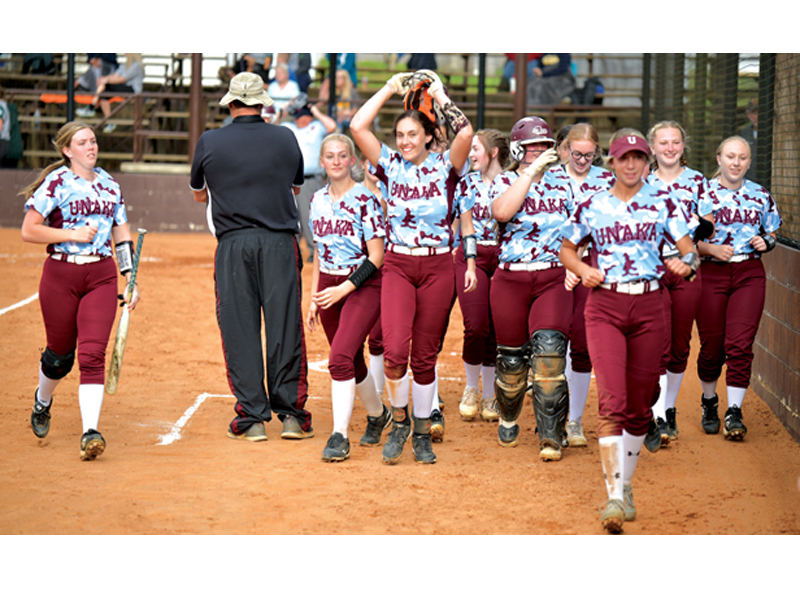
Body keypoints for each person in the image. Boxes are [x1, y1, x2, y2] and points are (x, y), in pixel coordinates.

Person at [559, 134, 697, 533]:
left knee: (639, 405)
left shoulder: (663, 202)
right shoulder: (593, 203)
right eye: (624, 158)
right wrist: (583, 269)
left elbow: (688, 249)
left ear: (646, 160)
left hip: (651, 306)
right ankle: (615, 495)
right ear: (612, 162)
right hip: (605, 305)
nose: (631, 165)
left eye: (638, 158)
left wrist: (686, 264)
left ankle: (627, 482)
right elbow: (568, 248)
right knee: (613, 401)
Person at [350, 69, 475, 465]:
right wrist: (390, 87)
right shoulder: (388, 162)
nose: (405, 141)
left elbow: (467, 133)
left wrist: (438, 95)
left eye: (412, 135)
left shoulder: (446, 165)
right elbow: (357, 125)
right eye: (400, 135)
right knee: (394, 352)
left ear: (425, 136)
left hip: (438, 264)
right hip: (400, 265)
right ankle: (400, 421)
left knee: (424, 356)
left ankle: (422, 427)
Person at [189, 72, 313, 442]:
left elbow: (199, 194)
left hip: (233, 245)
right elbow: (294, 187)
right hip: (278, 241)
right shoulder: (285, 136)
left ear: (230, 103)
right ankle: (291, 415)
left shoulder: (210, 141)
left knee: (239, 327)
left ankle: (252, 419)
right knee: (284, 324)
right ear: (263, 103)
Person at [19, 121, 141, 461]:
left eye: (93, 141)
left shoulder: (110, 185)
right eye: (83, 142)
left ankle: (91, 432)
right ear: (67, 150)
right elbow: (29, 231)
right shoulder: (55, 183)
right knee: (60, 356)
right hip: (60, 274)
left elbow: (121, 232)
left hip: (101, 275)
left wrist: (129, 277)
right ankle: (43, 401)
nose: (91, 147)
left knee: (91, 355)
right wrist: (69, 234)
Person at [488, 116, 574, 461]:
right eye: (530, 147)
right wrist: (529, 172)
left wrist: (577, 261)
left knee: (550, 355)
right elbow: (502, 212)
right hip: (511, 278)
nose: (538, 151)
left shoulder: (564, 183)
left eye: (544, 146)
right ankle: (509, 414)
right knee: (511, 364)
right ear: (517, 149)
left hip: (553, 276)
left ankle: (552, 434)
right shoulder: (506, 180)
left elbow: (580, 228)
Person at [305, 134, 389, 461]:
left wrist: (345, 288)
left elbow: (377, 257)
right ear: (322, 162)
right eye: (330, 156)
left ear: (352, 161)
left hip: (363, 283)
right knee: (351, 360)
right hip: (328, 284)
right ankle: (378, 414)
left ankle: (339, 436)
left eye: (343, 156)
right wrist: (315, 298)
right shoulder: (316, 200)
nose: (337, 161)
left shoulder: (365, 200)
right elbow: (320, 256)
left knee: (338, 357)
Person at [695, 136, 781, 441]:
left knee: (740, 344)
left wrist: (766, 241)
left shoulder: (760, 194)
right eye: (730, 156)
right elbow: (685, 238)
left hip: (748, 272)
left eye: (742, 158)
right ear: (719, 158)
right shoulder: (701, 192)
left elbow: (771, 231)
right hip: (710, 273)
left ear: (749, 161)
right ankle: (709, 400)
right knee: (712, 347)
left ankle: (734, 411)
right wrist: (709, 249)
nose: (736, 163)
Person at [646, 121, 716, 445]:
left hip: (686, 265)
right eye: (664, 142)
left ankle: (669, 408)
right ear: (653, 147)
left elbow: (709, 225)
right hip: (653, 267)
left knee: (680, 343)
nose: (670, 148)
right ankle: (657, 412)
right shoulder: (642, 181)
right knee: (657, 342)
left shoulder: (698, 181)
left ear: (682, 146)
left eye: (675, 142)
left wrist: (698, 228)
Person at [559, 123, 615, 448]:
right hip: (553, 262)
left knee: (580, 342)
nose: (582, 160)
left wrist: (579, 263)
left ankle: (575, 420)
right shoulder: (551, 178)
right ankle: (552, 416)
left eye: (589, 155)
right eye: (577, 154)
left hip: (591, 266)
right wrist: (569, 261)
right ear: (566, 149)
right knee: (553, 340)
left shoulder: (607, 181)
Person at [454, 129, 508, 422]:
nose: (471, 155)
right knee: (475, 325)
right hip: (471, 256)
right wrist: (472, 265)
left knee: (495, 329)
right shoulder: (467, 183)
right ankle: (471, 388)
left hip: (504, 257)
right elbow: (467, 227)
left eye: (476, 149)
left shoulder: (512, 182)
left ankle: (490, 396)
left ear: (494, 152)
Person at [282, 100, 338, 262]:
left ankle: (315, 251)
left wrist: (315, 110)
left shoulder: (316, 127)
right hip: (290, 180)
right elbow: (272, 126)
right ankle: (294, 250)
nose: (297, 119)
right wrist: (284, 110)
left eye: (299, 116)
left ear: (307, 117)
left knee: (310, 216)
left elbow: (331, 126)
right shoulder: (290, 128)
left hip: (310, 179)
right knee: (293, 216)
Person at [86, 53, 145, 132]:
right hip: (125, 87)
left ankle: (92, 107)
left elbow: (122, 79)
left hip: (133, 90)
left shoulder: (136, 65)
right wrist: (104, 79)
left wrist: (106, 80)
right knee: (104, 91)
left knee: (106, 87)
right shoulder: (125, 65)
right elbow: (116, 75)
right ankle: (105, 118)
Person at [317, 69, 360, 133]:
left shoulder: (352, 91)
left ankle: (337, 139)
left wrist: (345, 114)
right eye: (335, 77)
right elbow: (324, 101)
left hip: (349, 119)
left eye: (339, 77)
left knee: (339, 122)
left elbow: (355, 108)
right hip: (336, 118)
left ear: (345, 79)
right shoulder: (334, 93)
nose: (336, 79)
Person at [740, 98, 758, 181]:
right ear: (748, 114)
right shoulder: (745, 133)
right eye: (754, 113)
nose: (758, 116)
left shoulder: (775, 132)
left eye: (761, 112)